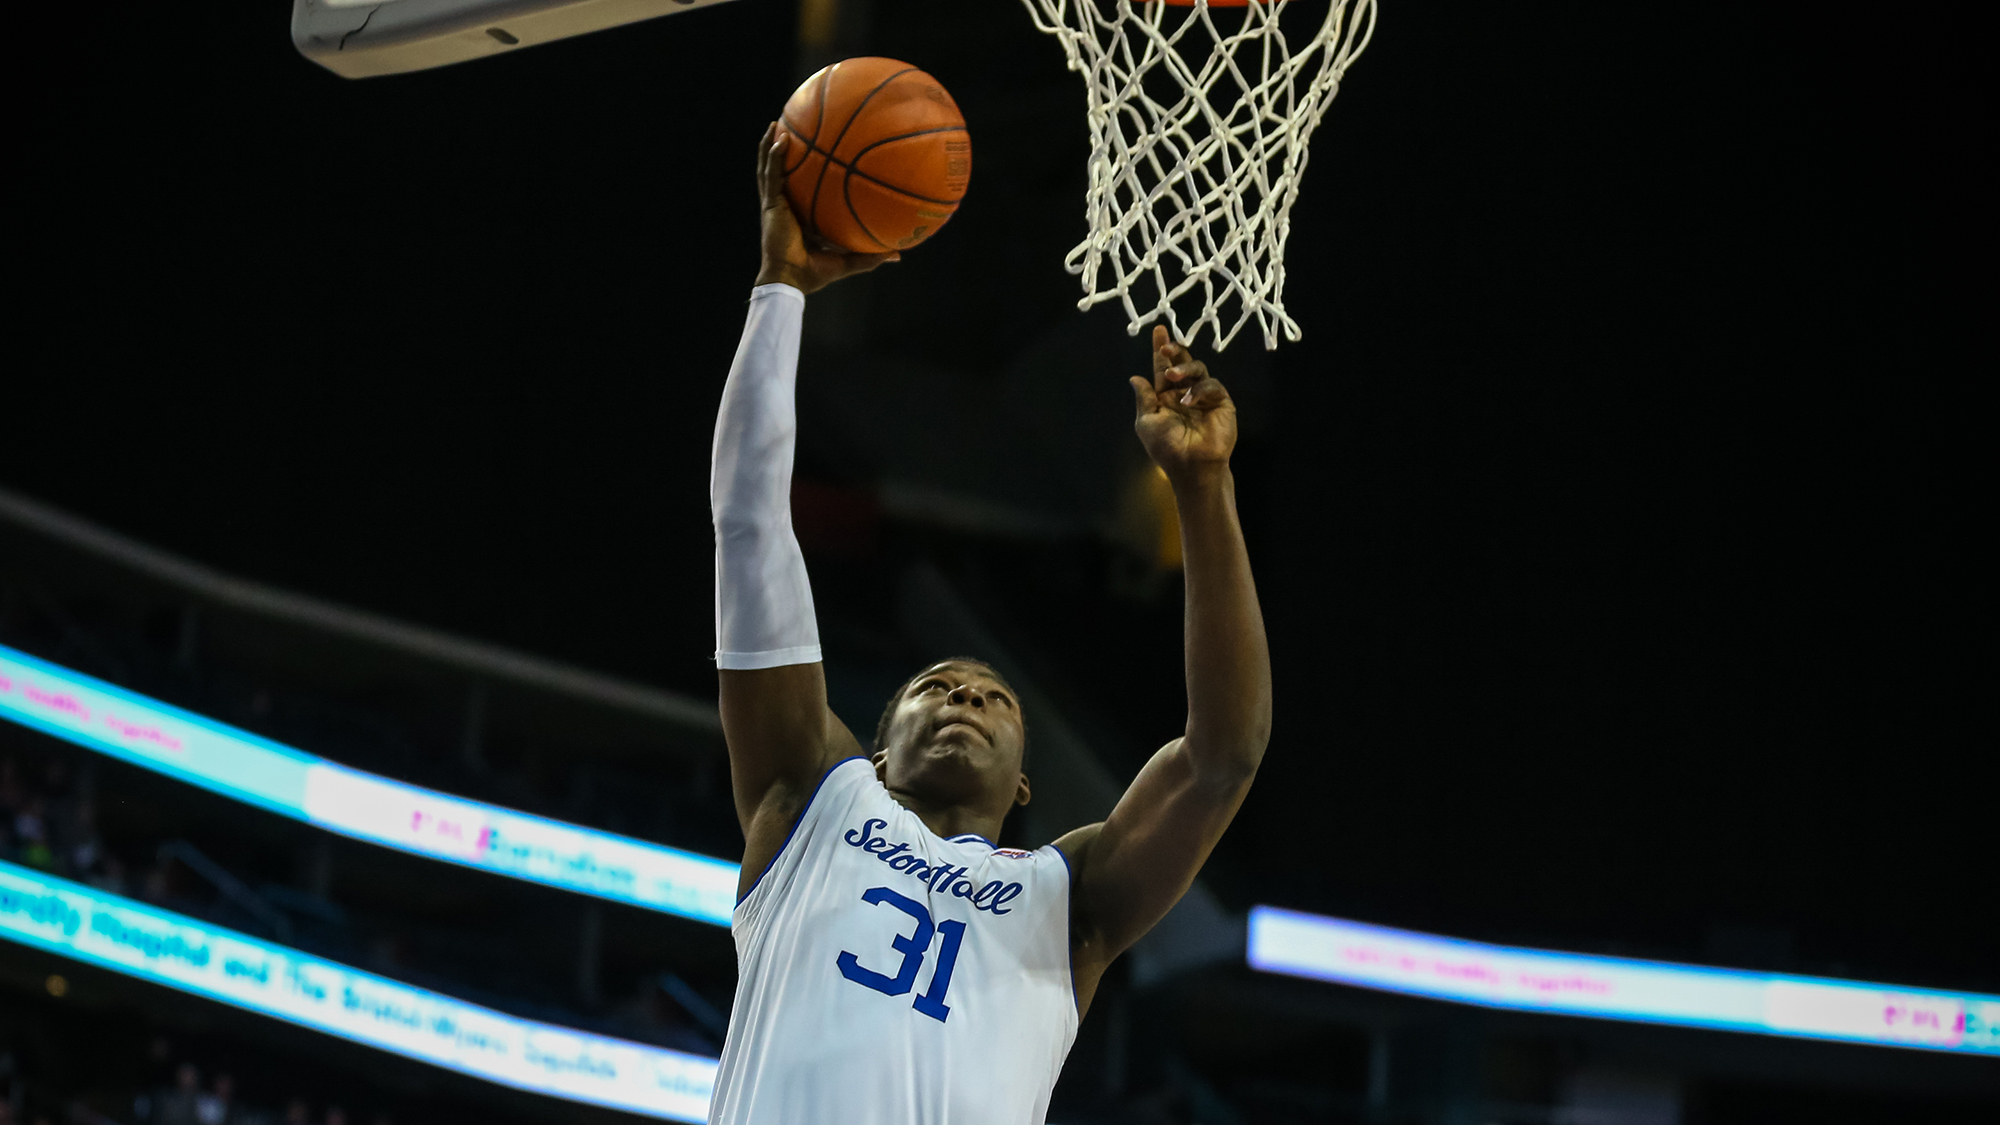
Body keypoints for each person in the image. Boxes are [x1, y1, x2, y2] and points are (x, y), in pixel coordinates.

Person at [704, 123, 1272, 1125]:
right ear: (876, 749)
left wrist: (1202, 488)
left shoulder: (1070, 899)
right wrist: (779, 287)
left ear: (1024, 783)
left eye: (990, 694)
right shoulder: (810, 802)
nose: (964, 695)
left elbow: (1220, 758)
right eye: (935, 688)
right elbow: (751, 526)